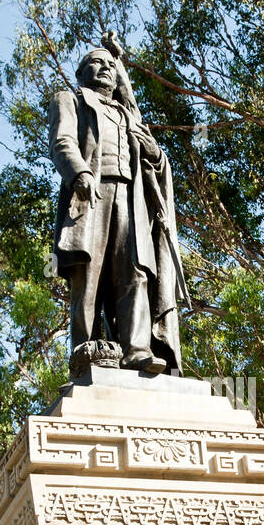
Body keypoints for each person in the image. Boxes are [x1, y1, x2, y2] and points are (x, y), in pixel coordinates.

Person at [47, 36, 185, 374]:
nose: (106, 69)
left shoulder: (128, 115)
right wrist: (78, 172)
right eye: (97, 62)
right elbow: (62, 140)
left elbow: (155, 157)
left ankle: (136, 349)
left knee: (136, 271)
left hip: (130, 197)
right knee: (88, 272)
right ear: (81, 73)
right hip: (92, 195)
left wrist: (153, 152)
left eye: (111, 66)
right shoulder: (70, 100)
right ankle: (84, 348)